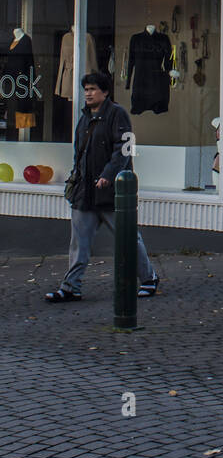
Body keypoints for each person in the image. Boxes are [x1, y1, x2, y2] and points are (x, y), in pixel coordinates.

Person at [45, 71, 159, 303]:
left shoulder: (118, 115)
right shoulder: (84, 117)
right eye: (86, 89)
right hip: (84, 192)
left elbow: (124, 151)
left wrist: (109, 175)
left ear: (105, 92)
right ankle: (70, 287)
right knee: (78, 243)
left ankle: (149, 279)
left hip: (111, 193)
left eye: (93, 89)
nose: (87, 93)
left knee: (127, 238)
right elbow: (80, 153)